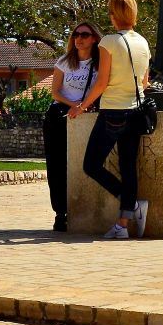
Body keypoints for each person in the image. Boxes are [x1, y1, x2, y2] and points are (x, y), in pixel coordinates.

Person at [72, 0, 152, 239]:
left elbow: (101, 83)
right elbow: (145, 81)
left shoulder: (108, 42)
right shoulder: (143, 42)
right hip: (136, 111)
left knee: (92, 165)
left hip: (113, 112)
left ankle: (130, 204)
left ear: (114, 15)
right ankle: (123, 222)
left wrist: (82, 106)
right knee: (128, 167)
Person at [42, 21, 101, 231]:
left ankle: (85, 209)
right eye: (76, 35)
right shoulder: (65, 62)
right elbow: (55, 92)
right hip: (60, 115)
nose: (79, 39)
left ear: (94, 38)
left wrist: (85, 107)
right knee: (57, 165)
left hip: (88, 117)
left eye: (84, 35)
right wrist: (75, 105)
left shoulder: (101, 63)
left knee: (84, 164)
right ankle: (61, 212)